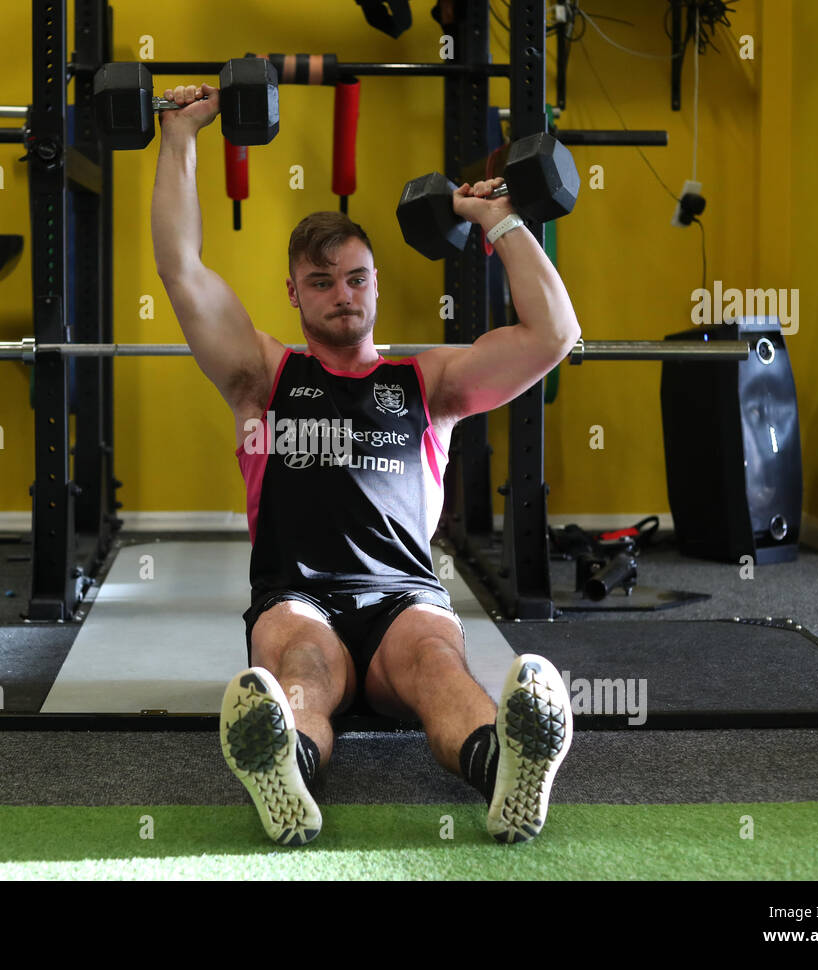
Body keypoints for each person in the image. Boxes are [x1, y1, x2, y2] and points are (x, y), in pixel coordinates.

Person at [151, 82, 580, 846]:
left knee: (438, 667)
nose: (341, 295)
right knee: (304, 666)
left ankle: (505, 769)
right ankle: (285, 771)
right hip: (299, 595)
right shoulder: (264, 376)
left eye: (355, 278)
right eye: (321, 282)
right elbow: (183, 270)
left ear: (376, 283)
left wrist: (498, 218)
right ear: (294, 294)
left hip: (402, 598)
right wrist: (180, 138)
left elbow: (553, 336)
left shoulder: (429, 383)